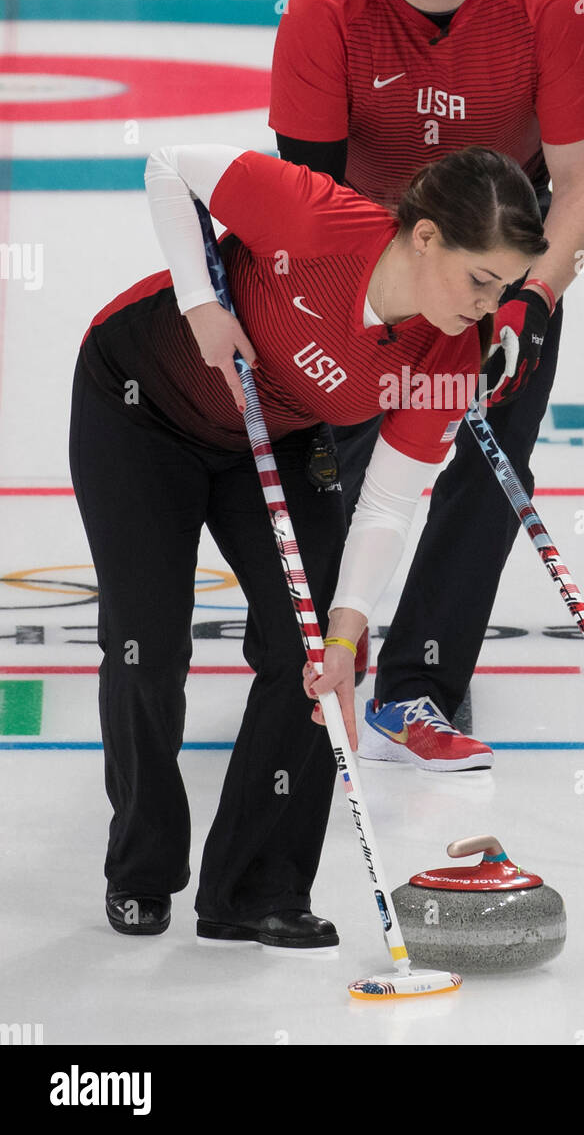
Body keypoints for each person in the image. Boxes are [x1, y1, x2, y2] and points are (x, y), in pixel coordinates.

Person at [69, 142, 547, 944]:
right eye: (479, 279)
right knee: (146, 648)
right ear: (425, 237)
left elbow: (390, 500)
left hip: (275, 434)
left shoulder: (449, 355)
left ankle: (255, 890)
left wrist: (350, 631)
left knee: (315, 654)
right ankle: (143, 869)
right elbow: (169, 165)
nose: (487, 305)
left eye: (504, 288)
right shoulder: (316, 219)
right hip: (141, 406)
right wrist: (202, 305)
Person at [269, 0, 584, 770]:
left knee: (488, 461)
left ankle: (420, 680)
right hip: (369, 252)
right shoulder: (322, 11)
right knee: (341, 449)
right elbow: (309, 205)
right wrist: (385, 308)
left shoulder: (549, 6)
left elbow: (581, 188)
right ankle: (331, 643)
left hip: (500, 259)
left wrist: (529, 301)